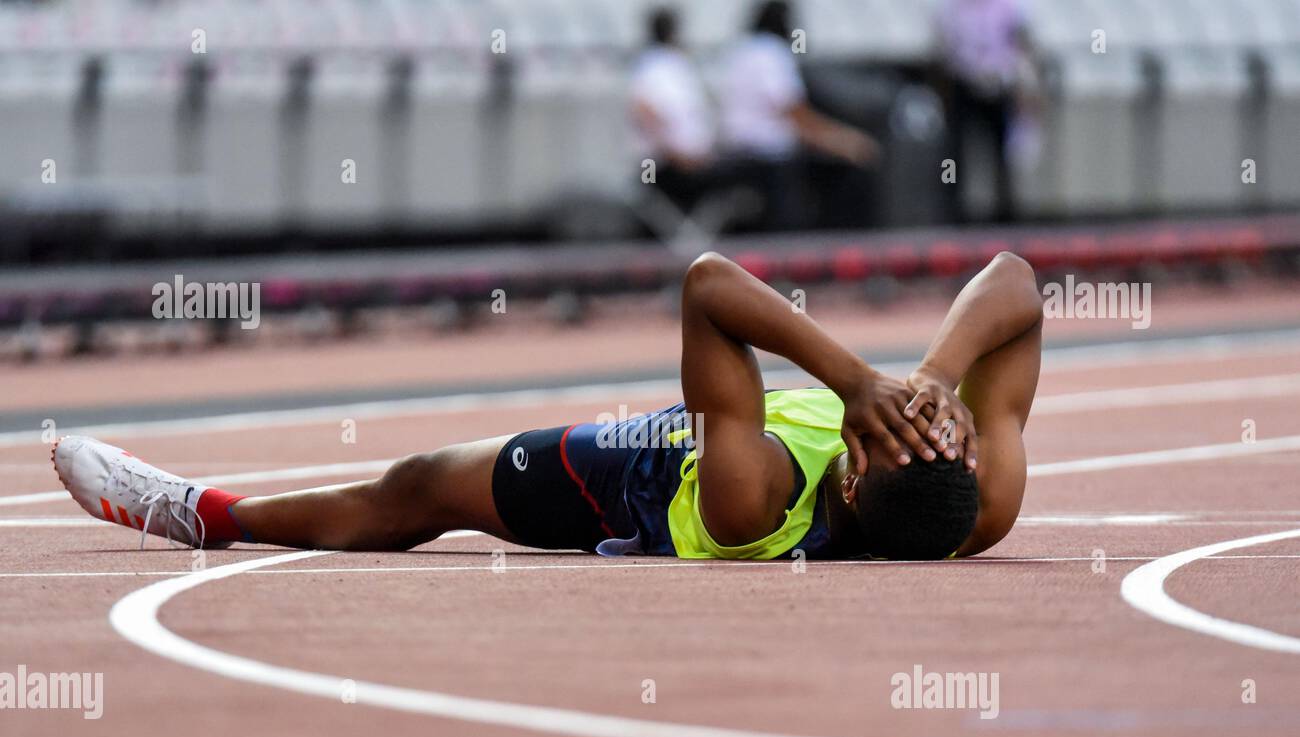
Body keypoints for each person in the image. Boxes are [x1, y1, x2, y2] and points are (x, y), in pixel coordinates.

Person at [53, 251, 1043, 561]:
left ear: (856, 468)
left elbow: (705, 286)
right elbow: (1016, 283)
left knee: (416, 491)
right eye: (935, 426)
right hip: (735, 424)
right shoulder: (977, 505)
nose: (913, 419)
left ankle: (202, 515)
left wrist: (856, 384)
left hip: (648, 473)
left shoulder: (759, 496)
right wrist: (937, 378)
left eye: (901, 429)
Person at [718, 0, 879, 230]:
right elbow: (794, 113)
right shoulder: (772, 53)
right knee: (849, 170)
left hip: (735, 150)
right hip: (767, 155)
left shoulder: (741, 51)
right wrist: (842, 141)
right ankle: (837, 242)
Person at [934, 0, 1033, 223]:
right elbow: (945, 49)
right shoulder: (952, 7)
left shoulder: (1010, 6)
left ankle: (1006, 211)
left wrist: (1022, 86)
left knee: (1001, 151)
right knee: (956, 152)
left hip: (1000, 85)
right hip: (964, 83)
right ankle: (954, 211)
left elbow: (1022, 44)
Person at [629, 7, 716, 214]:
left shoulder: (676, 65)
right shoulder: (652, 67)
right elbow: (645, 114)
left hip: (690, 161)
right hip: (668, 166)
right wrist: (678, 156)